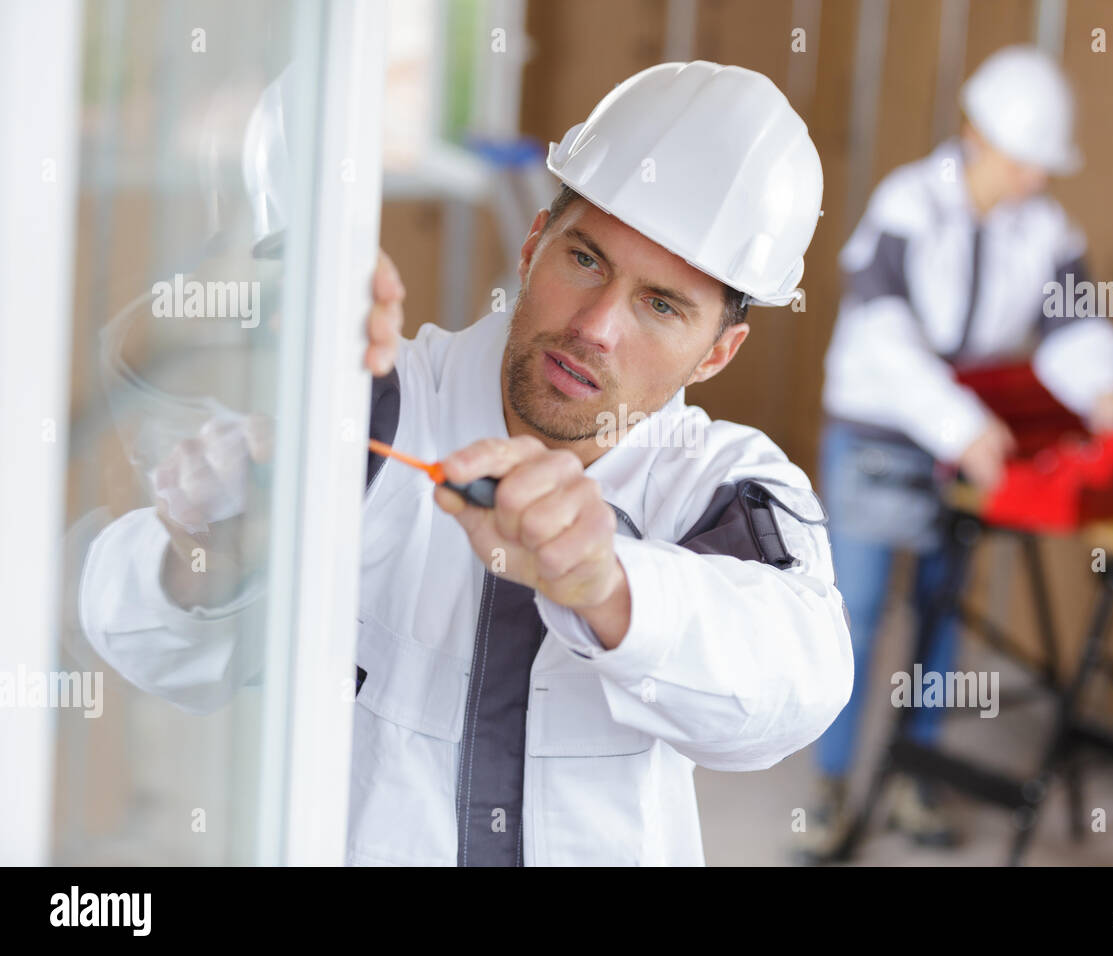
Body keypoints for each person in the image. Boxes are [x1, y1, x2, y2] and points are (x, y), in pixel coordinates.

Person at [78, 60, 853, 866]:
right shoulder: (377, 406)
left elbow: (794, 693)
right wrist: (211, 556)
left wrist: (607, 586)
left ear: (716, 354)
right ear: (531, 248)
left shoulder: (719, 488)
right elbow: (135, 637)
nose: (596, 328)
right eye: (584, 260)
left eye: (661, 306)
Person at [804, 45, 1113, 855]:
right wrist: (961, 424)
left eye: (1041, 166)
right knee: (853, 614)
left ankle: (918, 775)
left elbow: (1075, 326)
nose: (1034, 180)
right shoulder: (906, 204)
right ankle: (833, 787)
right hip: (881, 437)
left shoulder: (1046, 228)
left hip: (966, 446)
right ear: (974, 135)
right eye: (1023, 162)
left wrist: (1103, 390)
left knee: (942, 618)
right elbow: (883, 337)